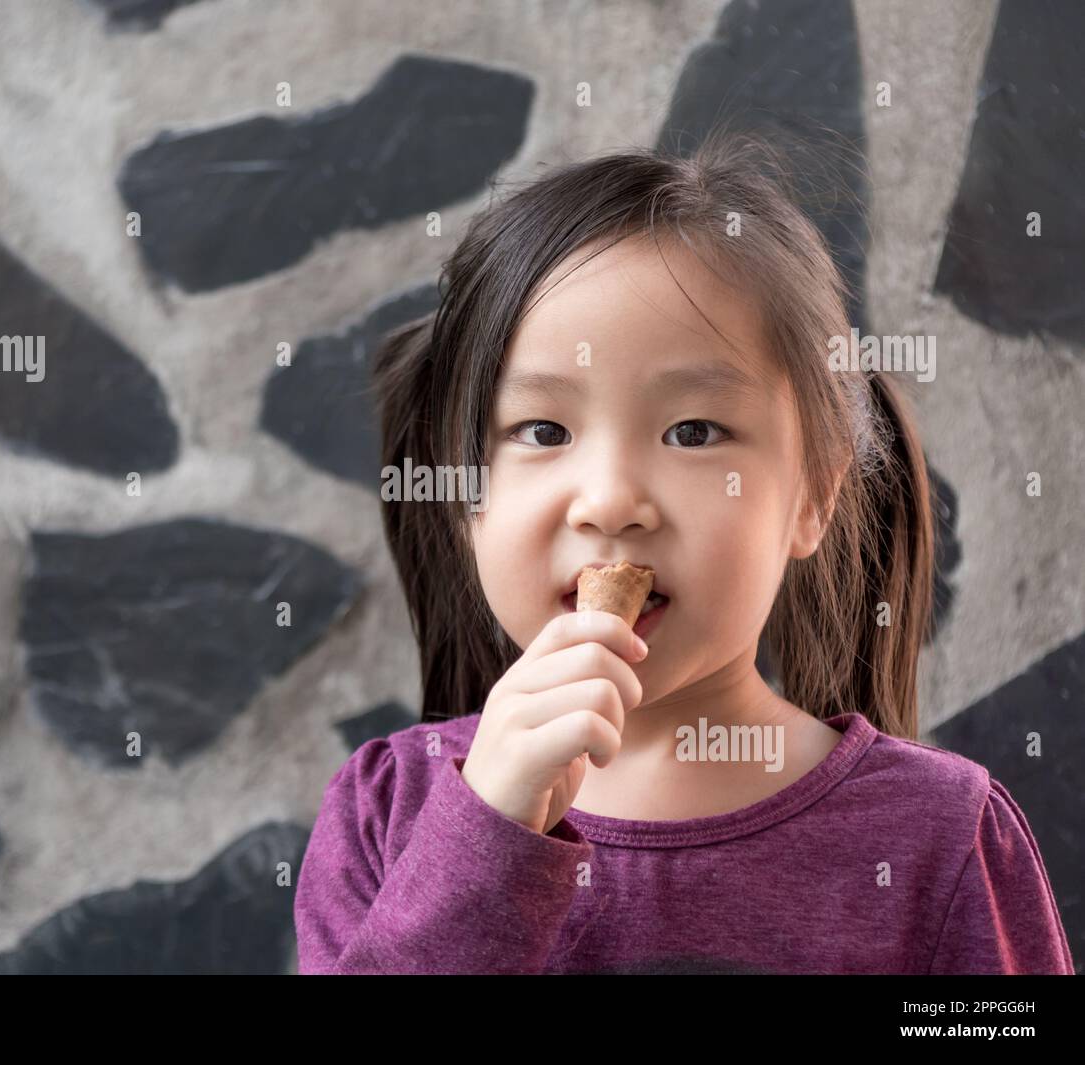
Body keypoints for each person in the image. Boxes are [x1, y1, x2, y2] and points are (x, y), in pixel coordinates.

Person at [293, 129, 1075, 975]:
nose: (611, 500)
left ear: (813, 492)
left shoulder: (941, 835)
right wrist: (485, 843)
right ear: (465, 500)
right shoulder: (387, 810)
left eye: (693, 431)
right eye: (543, 430)